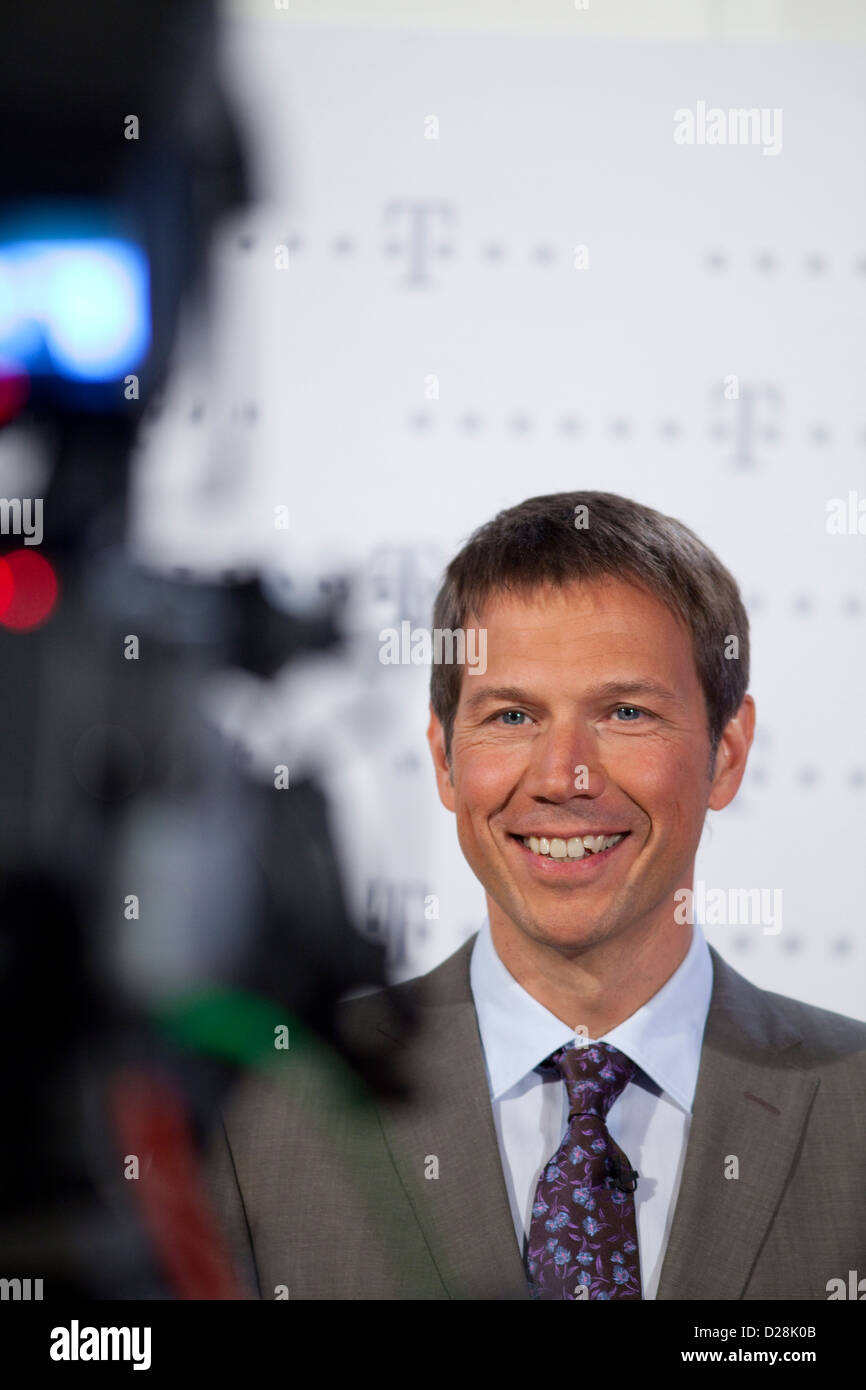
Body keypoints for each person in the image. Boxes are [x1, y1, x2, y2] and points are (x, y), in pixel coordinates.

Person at [205, 491, 866, 1300]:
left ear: (725, 754)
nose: (564, 778)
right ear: (445, 761)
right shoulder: (263, 1112)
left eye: (626, 712)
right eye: (512, 715)